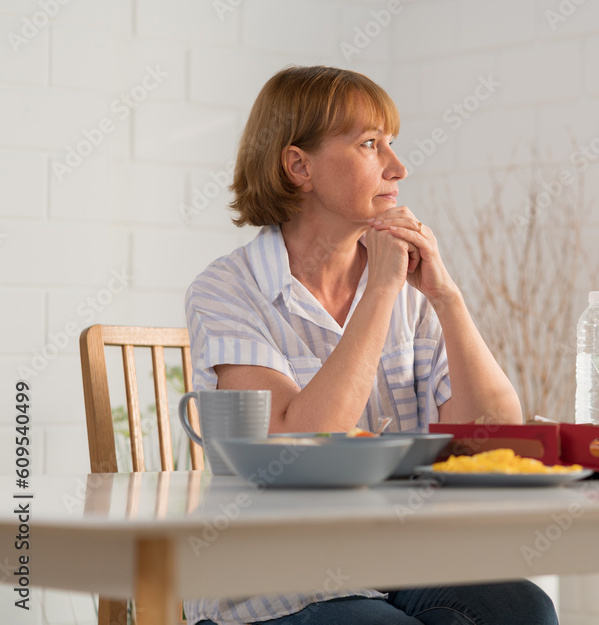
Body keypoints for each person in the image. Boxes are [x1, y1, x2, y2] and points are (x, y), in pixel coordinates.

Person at [184, 66, 557, 625]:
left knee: (522, 607)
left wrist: (447, 297)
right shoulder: (229, 289)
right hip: (272, 578)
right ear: (299, 166)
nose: (397, 167)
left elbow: (491, 431)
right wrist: (380, 288)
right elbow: (296, 448)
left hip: (394, 560)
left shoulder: (408, 287)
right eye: (369, 145)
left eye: (392, 145)